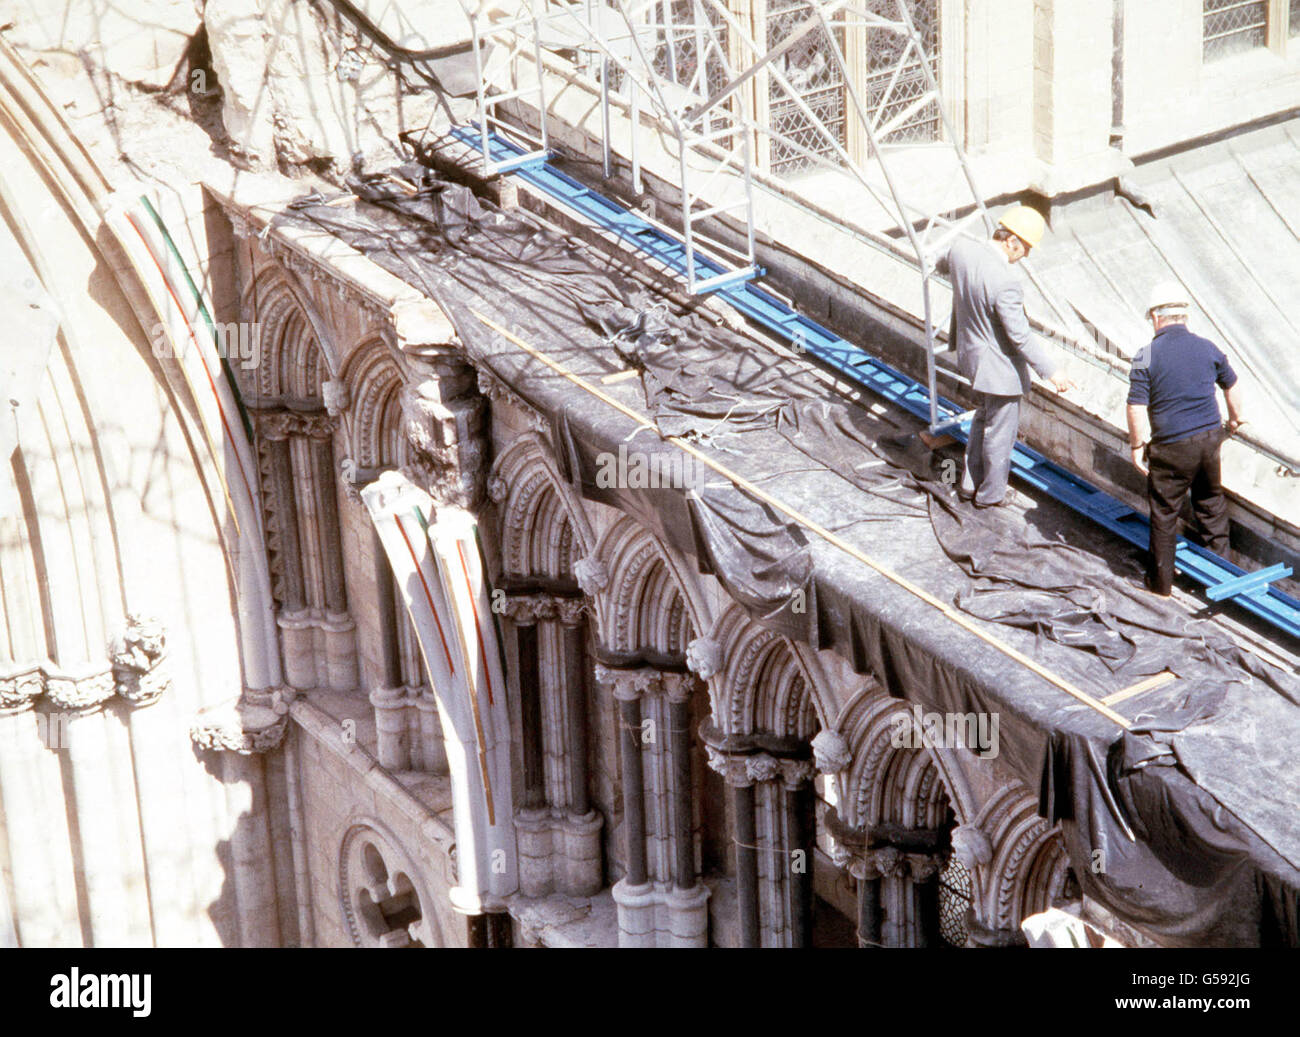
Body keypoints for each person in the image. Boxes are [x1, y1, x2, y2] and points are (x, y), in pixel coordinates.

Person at [941, 205, 1076, 508]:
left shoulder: (962, 250)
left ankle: (967, 484)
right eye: (1026, 248)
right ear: (1012, 241)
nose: (1025, 255)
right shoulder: (1006, 282)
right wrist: (1052, 372)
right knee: (999, 436)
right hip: (999, 371)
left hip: (972, 358)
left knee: (981, 420)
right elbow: (1020, 336)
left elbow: (941, 263)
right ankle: (990, 496)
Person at [1127, 281, 1246, 597]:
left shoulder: (1144, 355)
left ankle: (1160, 586)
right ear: (1184, 316)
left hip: (1173, 447)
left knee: (1165, 513)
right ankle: (1223, 581)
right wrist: (1234, 420)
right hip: (1209, 440)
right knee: (1210, 503)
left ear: (1156, 317)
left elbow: (1136, 406)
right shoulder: (1208, 347)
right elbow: (1232, 385)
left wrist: (1138, 446)